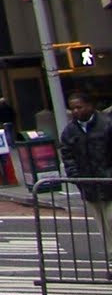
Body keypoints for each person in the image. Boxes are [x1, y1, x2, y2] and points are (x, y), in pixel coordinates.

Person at [59, 90, 112, 257]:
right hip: (89, 185)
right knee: (102, 223)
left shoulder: (107, 124)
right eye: (72, 108)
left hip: (109, 181)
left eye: (79, 107)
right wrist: (75, 177)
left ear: (90, 106)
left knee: (111, 219)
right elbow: (68, 156)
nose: (75, 111)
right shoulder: (70, 131)